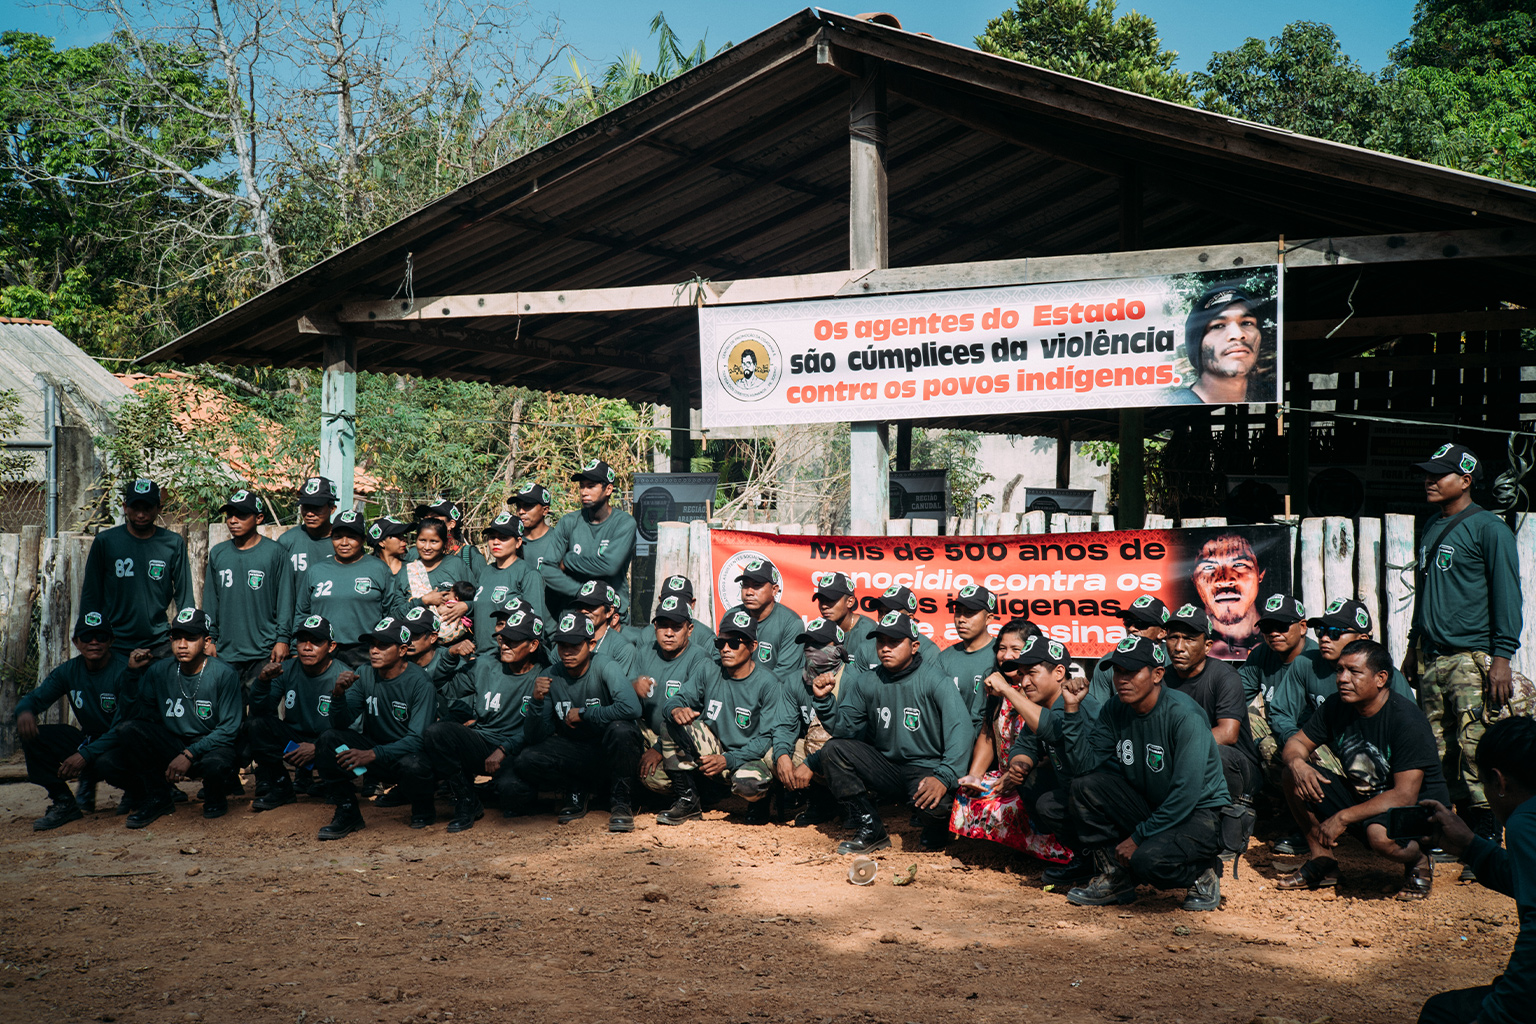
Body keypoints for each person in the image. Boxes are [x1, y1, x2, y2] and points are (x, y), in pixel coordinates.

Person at [1408, 442, 1523, 850]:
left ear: (1466, 480)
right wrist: (1412, 646)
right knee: (1437, 748)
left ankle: (1486, 837)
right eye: (1428, 473)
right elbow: (1424, 594)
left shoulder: (1489, 528)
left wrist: (1502, 657)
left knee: (1476, 747)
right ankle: (1448, 833)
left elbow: (1508, 594)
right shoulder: (1432, 525)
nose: (1430, 480)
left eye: (1439, 474)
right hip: (1432, 656)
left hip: (1471, 658)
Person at [1058, 636, 1229, 912]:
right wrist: (1071, 709)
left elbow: (1185, 795)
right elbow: (1083, 766)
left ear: (1158, 674)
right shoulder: (1115, 709)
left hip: (1198, 814)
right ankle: (1115, 877)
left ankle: (1201, 872)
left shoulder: (1183, 715)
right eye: (1118, 671)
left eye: (1131, 671)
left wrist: (1138, 838)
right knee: (1084, 786)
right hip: (1153, 804)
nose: (1122, 679)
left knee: (1148, 862)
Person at [1276, 639, 1448, 899]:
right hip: (1367, 800)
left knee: (1378, 835)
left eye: (1353, 672)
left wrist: (1342, 817)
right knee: (1291, 774)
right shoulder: (1337, 706)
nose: (1342, 679)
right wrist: (1298, 763)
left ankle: (1418, 859)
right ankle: (1323, 862)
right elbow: (1296, 743)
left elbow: (1404, 796)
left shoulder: (1406, 719)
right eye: (1339, 671)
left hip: (1420, 813)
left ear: (1380, 678)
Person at [811, 611, 973, 854]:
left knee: (936, 809)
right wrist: (824, 702)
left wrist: (944, 776)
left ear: (915, 646)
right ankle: (870, 828)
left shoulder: (935, 680)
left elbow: (961, 731)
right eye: (881, 641)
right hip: (886, 765)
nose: (886, 648)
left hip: (926, 767)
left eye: (895, 642)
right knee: (834, 750)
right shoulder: (867, 681)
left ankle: (936, 829)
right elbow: (845, 728)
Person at [1417, 716, 1536, 1024]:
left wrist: (1496, 1015)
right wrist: (1470, 845)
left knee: (1442, 1015)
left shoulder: (1526, 821)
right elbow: (1526, 879)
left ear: (1499, 782)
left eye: (1483, 783)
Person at [95, 609, 244, 828]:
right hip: (172, 742)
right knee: (119, 744)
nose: (182, 644)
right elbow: (135, 716)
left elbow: (229, 728)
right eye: (177, 638)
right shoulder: (158, 671)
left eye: (191, 638)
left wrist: (189, 753)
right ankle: (157, 797)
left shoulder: (224, 674)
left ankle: (215, 794)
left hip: (210, 744)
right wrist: (132, 674)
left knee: (216, 763)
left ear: (207, 641)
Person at [657, 609, 799, 826]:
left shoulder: (769, 683)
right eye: (720, 643)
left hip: (750, 755)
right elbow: (675, 700)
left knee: (748, 784)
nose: (725, 649)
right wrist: (676, 709)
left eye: (734, 643)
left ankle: (759, 803)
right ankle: (688, 800)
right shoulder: (709, 668)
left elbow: (768, 738)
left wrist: (728, 760)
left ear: (753, 646)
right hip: (716, 749)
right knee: (670, 725)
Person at [506, 612, 645, 833]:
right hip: (578, 752)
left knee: (622, 731)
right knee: (527, 759)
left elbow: (631, 708)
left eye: (574, 645)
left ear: (591, 644)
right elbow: (535, 736)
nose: (567, 652)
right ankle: (577, 789)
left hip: (609, 748)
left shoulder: (605, 666)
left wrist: (585, 713)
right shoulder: (551, 674)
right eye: (562, 645)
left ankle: (621, 800)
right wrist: (537, 702)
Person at [949, 625, 1076, 865]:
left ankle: (1048, 854)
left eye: (1015, 649)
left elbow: (1052, 746)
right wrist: (975, 776)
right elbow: (988, 734)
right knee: (967, 794)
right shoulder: (995, 685)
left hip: (1039, 776)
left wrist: (1019, 773)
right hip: (1009, 772)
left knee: (1018, 801)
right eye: (1001, 648)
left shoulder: (1041, 692)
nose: (1006, 656)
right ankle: (1006, 851)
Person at [313, 616, 438, 839]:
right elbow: (340, 724)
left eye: (383, 645)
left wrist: (372, 754)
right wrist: (338, 695)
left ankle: (423, 808)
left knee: (414, 763)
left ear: (401, 650)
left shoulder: (420, 683)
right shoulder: (365, 674)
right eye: (372, 644)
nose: (374, 651)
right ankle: (348, 811)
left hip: (406, 757)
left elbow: (417, 740)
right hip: (374, 759)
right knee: (329, 739)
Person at [423, 609, 547, 831]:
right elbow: (443, 686)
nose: (505, 645)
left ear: (533, 646)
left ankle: (491, 789)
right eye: (503, 639)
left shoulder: (544, 675)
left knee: (514, 794)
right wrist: (450, 656)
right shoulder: (485, 664)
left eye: (514, 641)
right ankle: (467, 800)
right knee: (436, 732)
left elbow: (537, 728)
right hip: (482, 740)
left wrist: (503, 748)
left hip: (517, 751)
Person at [1002, 630, 1106, 884]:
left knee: (1050, 802)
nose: (1024, 682)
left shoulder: (1078, 705)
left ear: (1059, 673)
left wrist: (1007, 690)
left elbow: (1053, 730)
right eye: (1021, 674)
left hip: (1104, 796)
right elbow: (1025, 744)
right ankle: (1084, 858)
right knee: (1030, 779)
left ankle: (1100, 859)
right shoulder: (1043, 706)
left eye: (1032, 673)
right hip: (1078, 790)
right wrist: (1019, 763)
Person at [13, 612, 129, 829]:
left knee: (108, 762)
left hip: (123, 744)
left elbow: (124, 727)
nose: (94, 642)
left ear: (111, 641)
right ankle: (63, 802)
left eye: (101, 637)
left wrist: (85, 754)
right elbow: (34, 698)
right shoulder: (69, 671)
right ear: (76, 642)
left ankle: (138, 791)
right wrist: (25, 711)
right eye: (87, 637)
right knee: (35, 736)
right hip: (91, 740)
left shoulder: (124, 671)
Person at [77, 478, 194, 657]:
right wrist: (89, 635)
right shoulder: (106, 542)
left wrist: (186, 634)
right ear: (125, 507)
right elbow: (91, 593)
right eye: (135, 508)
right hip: (114, 641)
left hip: (158, 641)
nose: (141, 514)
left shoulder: (172, 543)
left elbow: (184, 595)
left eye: (147, 508)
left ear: (159, 509)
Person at [1163, 604, 1260, 807]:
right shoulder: (1161, 678)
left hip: (1237, 767)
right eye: (1173, 637)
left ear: (1207, 646)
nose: (1179, 647)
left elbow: (1227, 734)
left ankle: (1233, 812)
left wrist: (1175, 748)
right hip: (1181, 762)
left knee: (1216, 753)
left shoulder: (1224, 676)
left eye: (1189, 639)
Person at [246, 615, 345, 810]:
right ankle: (281, 786)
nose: (307, 647)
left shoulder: (343, 676)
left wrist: (317, 747)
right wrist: (262, 683)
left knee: (340, 742)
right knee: (255, 725)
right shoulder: (284, 670)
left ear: (331, 647)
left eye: (316, 642)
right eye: (302, 641)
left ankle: (337, 785)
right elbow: (260, 711)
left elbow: (354, 730)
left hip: (329, 744)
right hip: (296, 743)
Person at [203, 488, 293, 694]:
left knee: (261, 716)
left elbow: (285, 600)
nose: (233, 520)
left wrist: (282, 639)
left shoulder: (276, 553)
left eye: (242, 515)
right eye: (230, 515)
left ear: (259, 518)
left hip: (264, 650)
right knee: (228, 713)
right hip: (226, 651)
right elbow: (211, 600)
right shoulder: (218, 553)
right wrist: (210, 639)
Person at [633, 595, 718, 807]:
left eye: (676, 627)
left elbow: (699, 716)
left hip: (683, 739)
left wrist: (659, 748)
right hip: (650, 731)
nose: (669, 633)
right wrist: (632, 688)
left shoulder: (700, 658)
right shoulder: (644, 652)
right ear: (655, 627)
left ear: (689, 629)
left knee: (652, 775)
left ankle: (696, 789)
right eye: (663, 626)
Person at [294, 509, 403, 666]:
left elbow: (390, 611)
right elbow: (302, 612)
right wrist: (294, 648)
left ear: (363, 539)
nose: (344, 543)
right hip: (322, 649)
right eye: (338, 537)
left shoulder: (379, 569)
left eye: (351, 537)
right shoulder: (316, 571)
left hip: (364, 652)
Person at [784, 616, 856, 828]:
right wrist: (781, 755)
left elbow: (854, 735)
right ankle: (819, 803)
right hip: (815, 751)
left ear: (838, 650)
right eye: (809, 644)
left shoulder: (854, 680)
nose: (812, 650)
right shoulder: (795, 680)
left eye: (820, 645)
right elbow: (783, 726)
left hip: (850, 753)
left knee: (823, 738)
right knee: (777, 751)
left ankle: (850, 804)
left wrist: (811, 763)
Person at [541, 459, 637, 614]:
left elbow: (609, 566)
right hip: (574, 612)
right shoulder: (569, 522)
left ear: (608, 489)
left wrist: (568, 560)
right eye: (581, 486)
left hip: (611, 614)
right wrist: (580, 591)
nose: (584, 492)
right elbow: (547, 568)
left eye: (591, 486)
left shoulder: (624, 523)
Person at [1238, 593, 1315, 787]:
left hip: (1310, 739)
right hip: (1277, 729)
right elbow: (1234, 695)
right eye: (1267, 627)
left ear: (1303, 627)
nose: (1273, 633)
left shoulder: (1317, 660)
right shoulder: (1261, 653)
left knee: (1269, 746)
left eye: (1281, 626)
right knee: (1238, 718)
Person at [1171, 282, 1271, 404]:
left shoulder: (1267, 395)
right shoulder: (1172, 404)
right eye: (1218, 326)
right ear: (1197, 346)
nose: (1238, 334)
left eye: (1246, 323)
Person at [718, 557, 805, 688]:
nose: (749, 592)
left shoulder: (791, 623)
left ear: (774, 590)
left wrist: (751, 692)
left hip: (771, 694)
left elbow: (784, 673)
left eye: (757, 586)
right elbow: (718, 659)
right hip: (733, 687)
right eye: (745, 585)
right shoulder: (731, 616)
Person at [472, 512, 546, 654]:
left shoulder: (528, 574)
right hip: (481, 656)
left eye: (503, 538)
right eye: (492, 537)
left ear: (518, 542)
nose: (496, 542)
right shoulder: (485, 572)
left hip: (508, 656)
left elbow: (536, 624)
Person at [1084, 594, 1170, 705]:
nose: (1131, 628)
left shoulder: (1174, 661)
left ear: (1162, 632)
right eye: (1128, 622)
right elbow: (1098, 715)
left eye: (1141, 623)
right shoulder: (1108, 663)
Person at [1191, 533, 1265, 660]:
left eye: (1239, 565)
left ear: (1260, 574)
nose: (1224, 580)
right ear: (1194, 580)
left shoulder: (1275, 642)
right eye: (1208, 567)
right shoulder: (1184, 645)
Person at [937, 584, 998, 730]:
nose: (961, 619)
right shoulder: (944, 658)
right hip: (952, 740)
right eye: (958, 612)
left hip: (989, 740)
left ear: (988, 618)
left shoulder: (1001, 655)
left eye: (970, 613)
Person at [402, 518, 473, 641]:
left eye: (434, 541)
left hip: (458, 647)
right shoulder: (406, 572)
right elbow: (394, 612)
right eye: (422, 540)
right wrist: (423, 601)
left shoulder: (456, 565)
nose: (427, 547)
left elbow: (479, 600)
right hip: (416, 646)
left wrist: (466, 606)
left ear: (444, 543)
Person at [278, 475, 338, 580]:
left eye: (316, 508)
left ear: (332, 509)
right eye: (306, 507)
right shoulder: (287, 541)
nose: (310, 513)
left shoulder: (344, 543)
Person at [572, 580, 637, 678]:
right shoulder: (567, 640)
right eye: (580, 606)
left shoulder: (623, 649)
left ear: (609, 611)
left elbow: (616, 689)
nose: (584, 611)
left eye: (591, 606)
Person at [637, 575, 716, 652]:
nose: (676, 607)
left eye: (682, 603)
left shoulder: (705, 637)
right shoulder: (646, 635)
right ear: (660, 602)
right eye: (670, 602)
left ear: (692, 604)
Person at [414, 497, 485, 578]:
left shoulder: (469, 555)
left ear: (451, 524)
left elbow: (483, 587)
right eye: (426, 519)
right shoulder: (418, 553)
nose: (429, 524)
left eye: (434, 519)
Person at [812, 572, 877, 657]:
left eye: (831, 600)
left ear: (850, 602)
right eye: (821, 600)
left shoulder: (868, 630)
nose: (824, 606)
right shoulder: (817, 629)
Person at [368, 515, 413, 590]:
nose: (403, 539)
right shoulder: (368, 571)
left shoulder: (412, 569)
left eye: (403, 535)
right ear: (382, 542)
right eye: (397, 535)